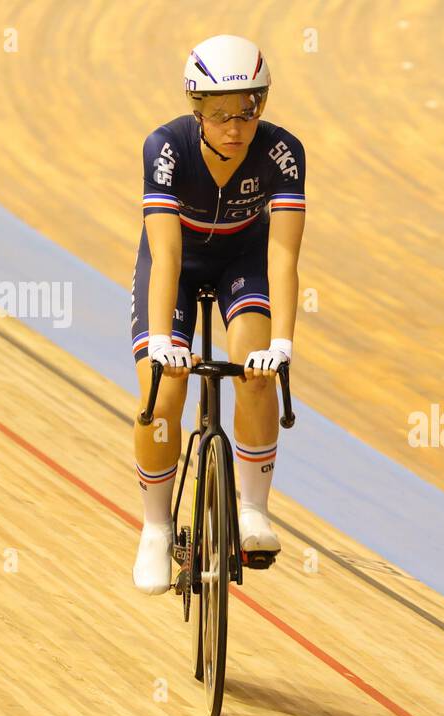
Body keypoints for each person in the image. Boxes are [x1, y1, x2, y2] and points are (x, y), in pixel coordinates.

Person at [130, 34, 306, 593]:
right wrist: (163, 341)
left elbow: (282, 253)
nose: (237, 126)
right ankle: (156, 527)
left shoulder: (283, 152)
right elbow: (166, 257)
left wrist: (283, 344)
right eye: (221, 114)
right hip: (176, 268)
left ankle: (252, 511)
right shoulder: (165, 148)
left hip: (242, 262)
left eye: (249, 111)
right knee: (162, 396)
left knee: (255, 370)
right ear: (197, 110)